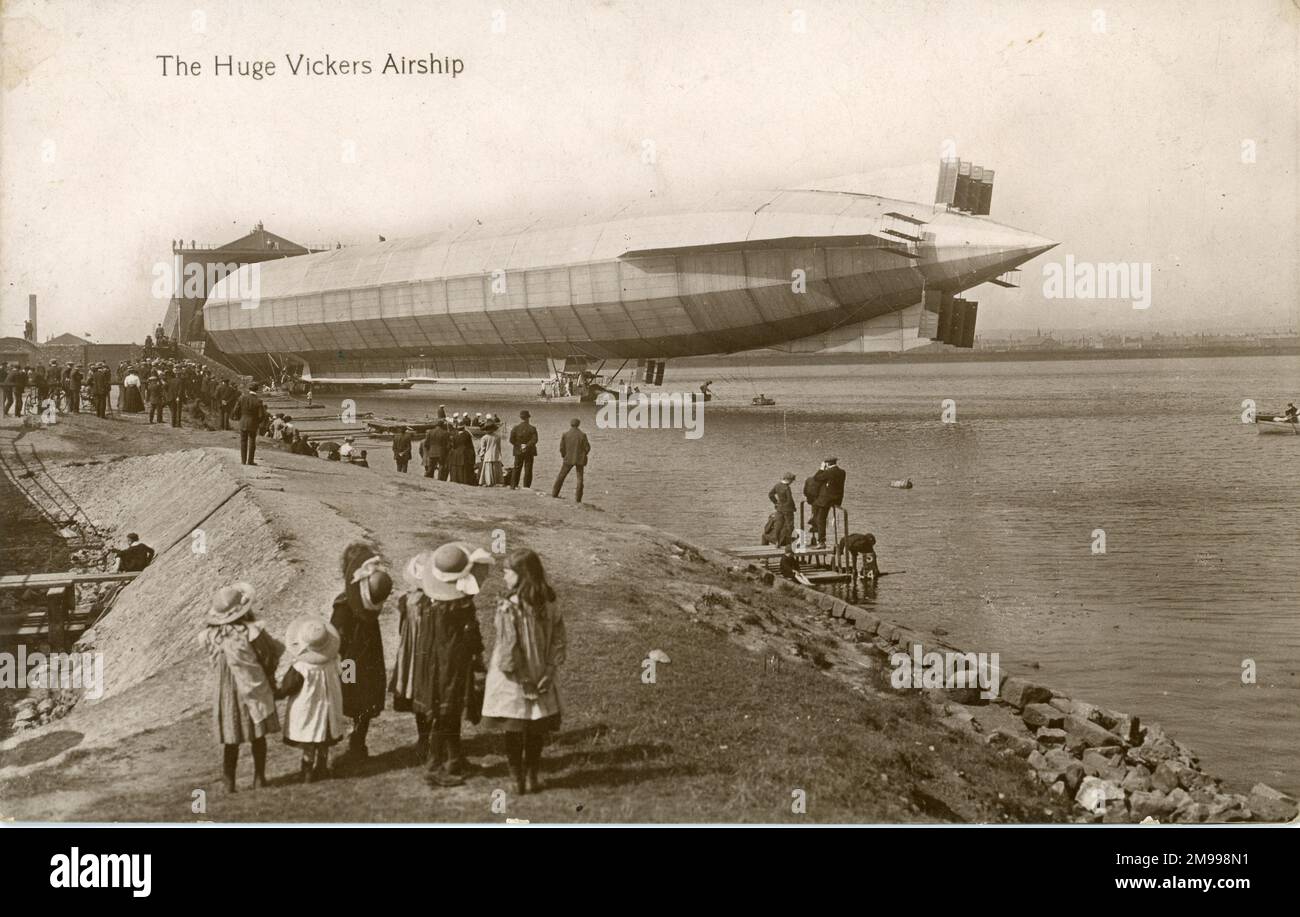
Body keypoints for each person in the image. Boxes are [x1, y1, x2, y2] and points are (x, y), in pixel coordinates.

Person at [404, 542, 490, 787]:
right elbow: (454, 641)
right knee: (444, 712)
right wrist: (474, 654)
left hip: (449, 663)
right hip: (445, 666)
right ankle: (434, 765)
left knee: (451, 712)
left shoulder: (446, 603)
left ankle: (454, 757)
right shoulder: (446, 609)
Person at [482, 548, 566, 795]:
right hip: (536, 672)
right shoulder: (549, 602)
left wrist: (529, 677)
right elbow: (559, 639)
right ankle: (528, 775)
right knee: (533, 723)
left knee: (517, 724)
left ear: (522, 574)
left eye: (507, 573)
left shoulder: (510, 606)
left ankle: (519, 775)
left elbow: (509, 647)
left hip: (517, 676)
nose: (504, 578)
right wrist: (548, 670)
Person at [199, 583, 281, 792]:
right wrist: (269, 674)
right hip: (250, 685)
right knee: (257, 734)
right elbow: (268, 654)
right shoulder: (250, 632)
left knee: (231, 736)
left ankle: (229, 781)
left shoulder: (212, 636)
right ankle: (259, 777)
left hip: (226, 691)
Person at [330, 546, 392, 766]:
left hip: (349, 660)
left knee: (348, 693)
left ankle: (349, 741)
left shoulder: (344, 604)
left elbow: (337, 635)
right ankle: (359, 738)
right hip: (370, 657)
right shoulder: (372, 599)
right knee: (365, 697)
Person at [276, 615, 346, 783]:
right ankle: (322, 768)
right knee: (324, 739)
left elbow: (288, 687)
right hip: (328, 707)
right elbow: (344, 674)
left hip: (308, 709)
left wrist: (278, 692)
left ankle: (307, 773)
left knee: (309, 740)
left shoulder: (300, 667)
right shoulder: (334, 660)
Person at [551, 418, 590, 502]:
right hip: (579, 459)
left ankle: (554, 494)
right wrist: (583, 454)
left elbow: (561, 448)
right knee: (580, 479)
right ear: (578, 424)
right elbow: (587, 448)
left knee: (561, 476)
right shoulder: (582, 435)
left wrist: (564, 456)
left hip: (568, 459)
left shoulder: (565, 434)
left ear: (571, 424)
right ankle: (578, 499)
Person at [811, 457, 846, 547]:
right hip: (838, 499)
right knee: (821, 515)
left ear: (827, 464)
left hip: (827, 500)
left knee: (820, 519)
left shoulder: (828, 472)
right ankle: (821, 539)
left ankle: (821, 541)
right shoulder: (842, 472)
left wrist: (821, 468)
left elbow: (816, 478)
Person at [234, 384, 265, 466]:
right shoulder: (258, 401)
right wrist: (258, 422)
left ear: (249, 389)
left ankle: (243, 461)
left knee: (243, 441)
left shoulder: (242, 398)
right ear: (257, 390)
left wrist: (239, 418)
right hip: (253, 422)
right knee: (252, 442)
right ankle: (250, 461)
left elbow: (236, 410)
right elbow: (261, 415)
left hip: (243, 421)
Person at [509, 410, 538, 488]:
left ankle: (513, 485)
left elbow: (511, 440)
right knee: (528, 469)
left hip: (518, 451)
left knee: (516, 468)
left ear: (520, 418)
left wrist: (520, 445)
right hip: (529, 451)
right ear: (528, 418)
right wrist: (526, 445)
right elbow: (535, 440)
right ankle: (526, 486)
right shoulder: (532, 428)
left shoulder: (516, 428)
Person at [767, 472, 797, 547]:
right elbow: (790, 499)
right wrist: (794, 507)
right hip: (788, 509)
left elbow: (770, 494)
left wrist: (776, 502)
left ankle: (777, 542)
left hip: (779, 508)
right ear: (788, 480)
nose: (792, 482)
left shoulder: (777, 485)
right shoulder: (787, 488)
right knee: (790, 525)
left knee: (778, 525)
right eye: (792, 481)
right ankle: (788, 542)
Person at [477, 420, 504, 485]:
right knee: (496, 469)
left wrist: (481, 455)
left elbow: (483, 449)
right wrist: (500, 455)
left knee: (488, 470)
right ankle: (497, 481)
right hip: (495, 454)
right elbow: (499, 447)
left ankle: (488, 482)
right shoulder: (497, 437)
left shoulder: (484, 438)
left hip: (488, 455)